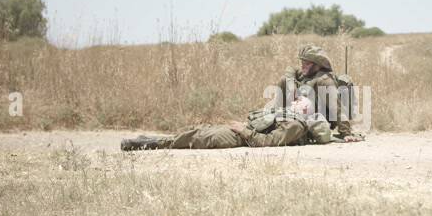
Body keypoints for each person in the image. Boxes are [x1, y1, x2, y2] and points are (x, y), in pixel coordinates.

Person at [121, 96, 331, 151]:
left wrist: (244, 130)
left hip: (238, 137)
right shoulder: (287, 117)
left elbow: (269, 142)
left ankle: (143, 145)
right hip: (237, 132)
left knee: (197, 139)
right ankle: (148, 141)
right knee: (196, 133)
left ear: (305, 110)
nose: (293, 102)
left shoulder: (294, 126)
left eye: (298, 102)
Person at [276, 45, 364, 142]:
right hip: (302, 113)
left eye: (306, 63)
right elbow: (290, 69)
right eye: (302, 62)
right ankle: (279, 120)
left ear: (317, 65)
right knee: (284, 80)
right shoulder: (307, 73)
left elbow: (336, 107)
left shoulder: (324, 80)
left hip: (317, 119)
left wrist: (346, 133)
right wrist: (292, 89)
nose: (302, 65)